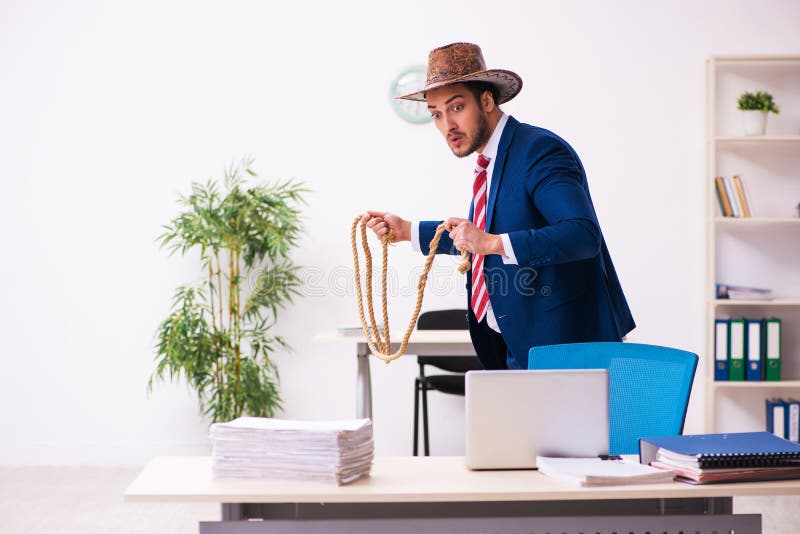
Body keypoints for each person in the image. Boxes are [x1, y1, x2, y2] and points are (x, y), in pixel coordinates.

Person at [363, 42, 634, 370]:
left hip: (565, 348)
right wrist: (408, 231)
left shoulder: (539, 151)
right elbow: (483, 237)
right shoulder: (491, 161)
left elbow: (581, 235)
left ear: (487, 100)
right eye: (436, 114)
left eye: (457, 107)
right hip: (517, 345)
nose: (447, 124)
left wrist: (490, 242)